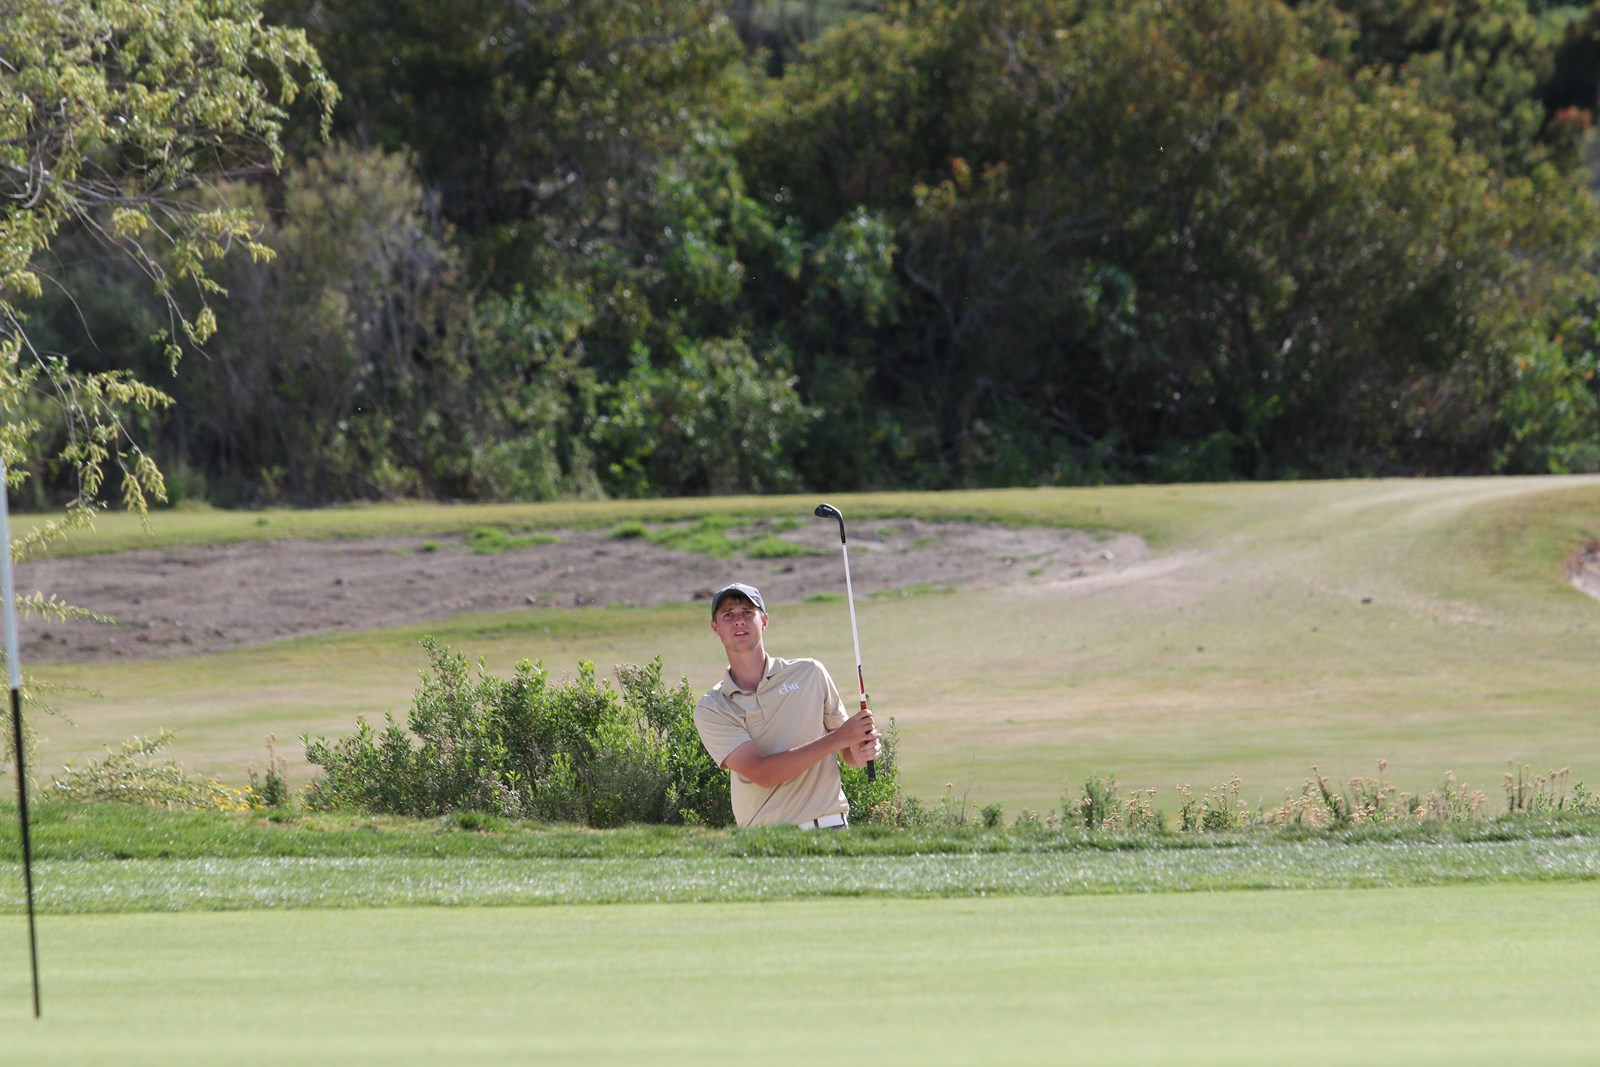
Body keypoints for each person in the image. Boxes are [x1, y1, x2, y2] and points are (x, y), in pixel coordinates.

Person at [694, 582, 882, 829]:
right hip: (769, 845)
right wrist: (837, 740)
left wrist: (863, 751)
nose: (738, 621)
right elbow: (763, 773)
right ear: (715, 627)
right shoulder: (713, 707)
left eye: (747, 612)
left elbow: (849, 752)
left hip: (831, 828)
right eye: (728, 615)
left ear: (764, 620)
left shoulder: (810, 672)